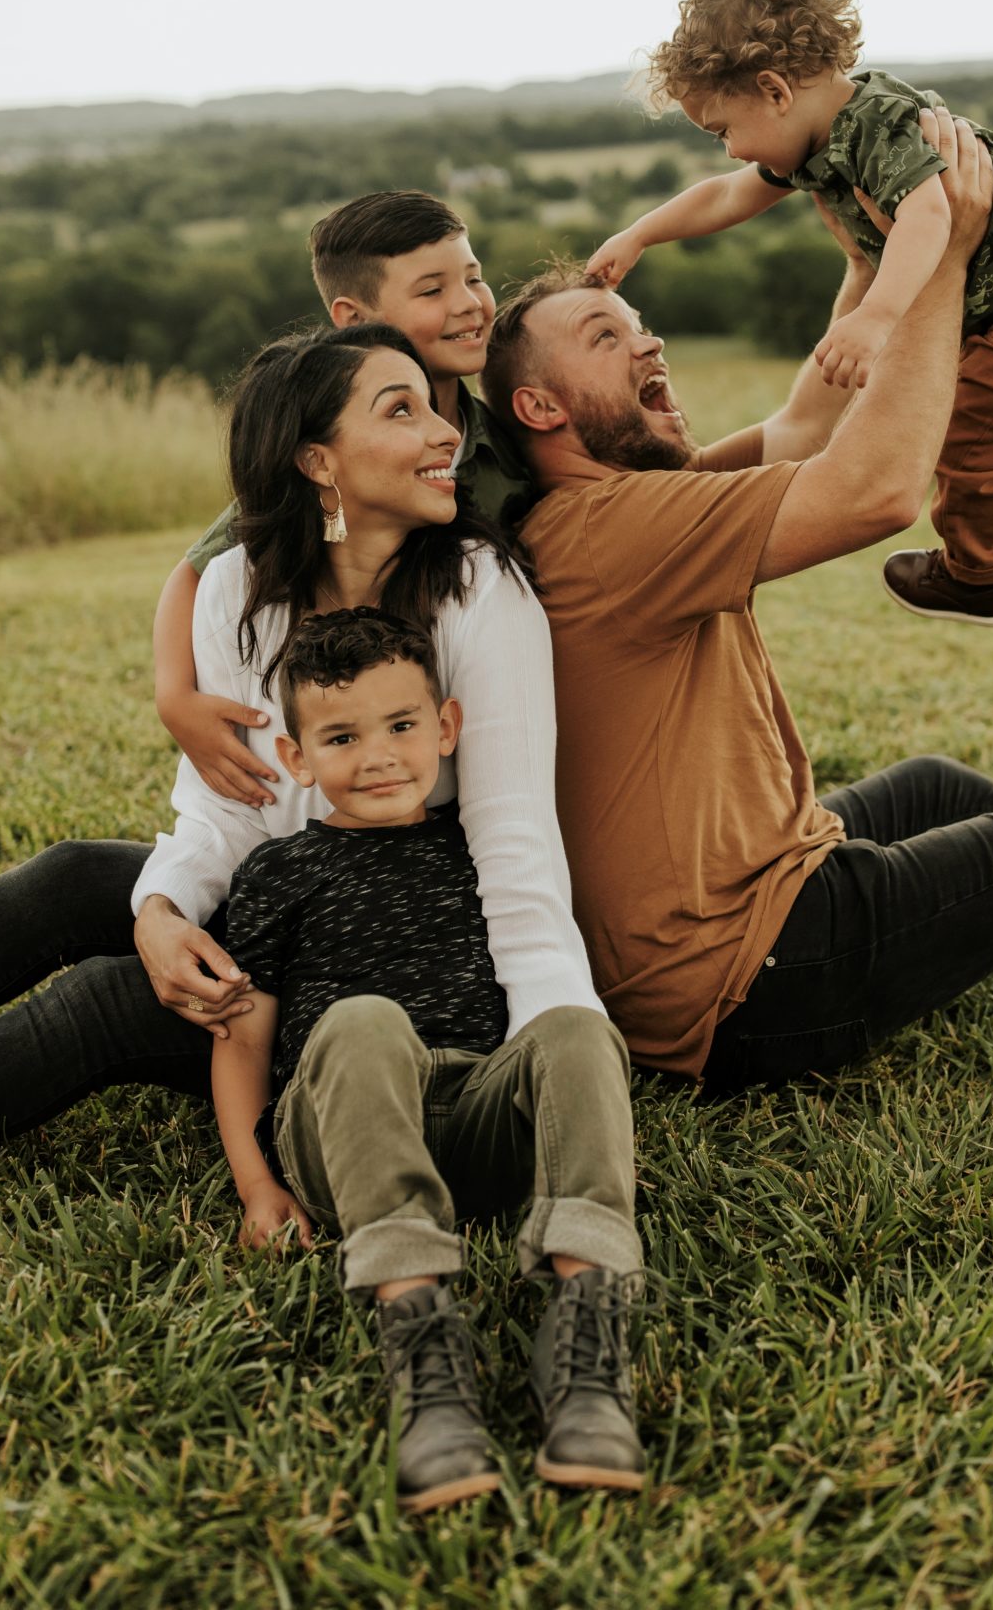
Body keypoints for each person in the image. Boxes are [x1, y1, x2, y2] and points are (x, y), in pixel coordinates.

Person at [480, 108, 993, 1091]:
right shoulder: (612, 530)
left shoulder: (606, 509)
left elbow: (803, 426)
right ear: (540, 408)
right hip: (749, 983)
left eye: (638, 323)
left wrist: (871, 258)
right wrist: (944, 266)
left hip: (715, 941)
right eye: (604, 335)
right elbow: (876, 489)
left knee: (939, 786)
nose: (649, 340)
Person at [0, 323, 603, 1168]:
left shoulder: (478, 586)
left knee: (108, 1001)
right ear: (317, 462)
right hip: (302, 897)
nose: (447, 431)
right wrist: (161, 912)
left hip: (413, 952)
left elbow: (514, 839)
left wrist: (550, 1040)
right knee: (75, 878)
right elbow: (232, 805)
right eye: (401, 410)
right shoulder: (238, 586)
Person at [586, 0, 993, 626]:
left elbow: (933, 216)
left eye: (725, 130)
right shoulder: (820, 141)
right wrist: (640, 234)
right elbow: (726, 197)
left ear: (776, 91)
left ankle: (977, 576)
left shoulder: (875, 124)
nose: (730, 151)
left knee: (953, 439)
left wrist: (876, 318)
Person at [211, 606, 644, 1510]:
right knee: (363, 1020)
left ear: (446, 727)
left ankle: (588, 1339)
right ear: (298, 759)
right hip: (348, 1130)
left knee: (574, 1025)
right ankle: (422, 1341)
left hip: (481, 1118)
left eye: (403, 726)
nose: (379, 756)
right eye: (341, 736)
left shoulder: (481, 850)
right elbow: (244, 1037)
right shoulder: (280, 874)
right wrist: (258, 1185)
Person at [155, 189, 530, 810]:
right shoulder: (329, 457)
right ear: (354, 321)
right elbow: (202, 571)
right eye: (432, 290)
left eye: (474, 277)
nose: (469, 304)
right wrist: (175, 697)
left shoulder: (508, 448)